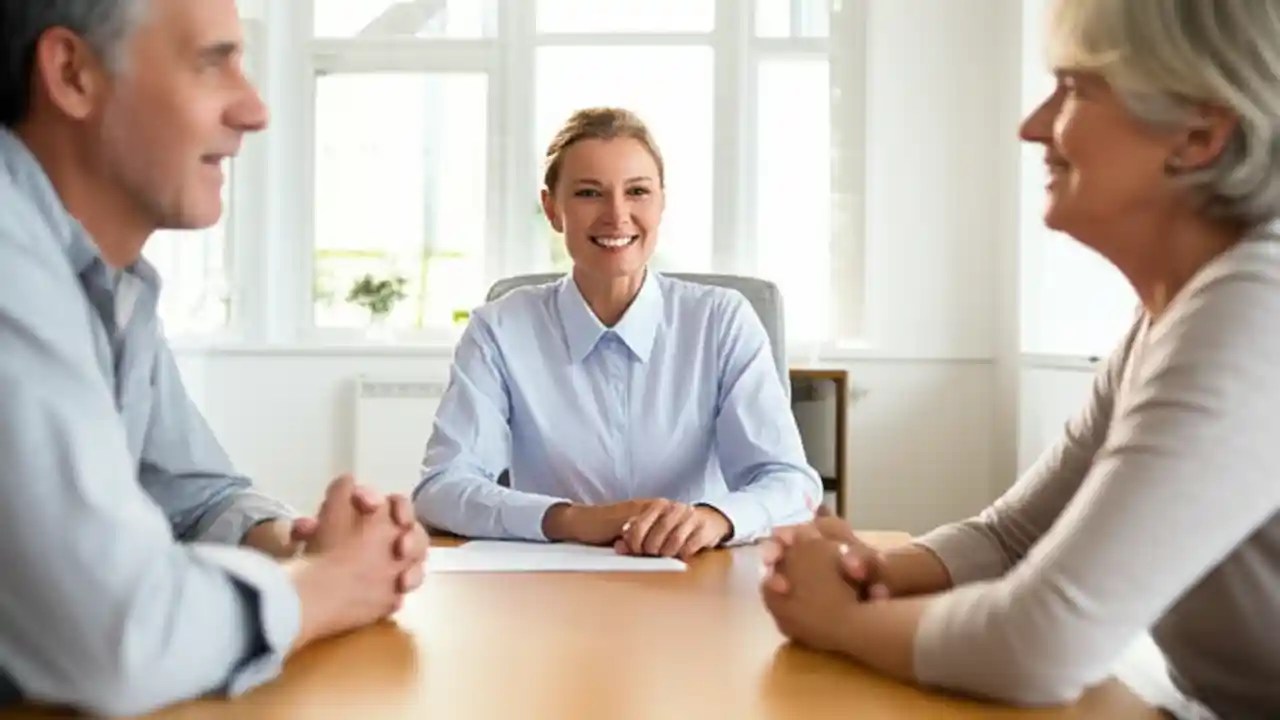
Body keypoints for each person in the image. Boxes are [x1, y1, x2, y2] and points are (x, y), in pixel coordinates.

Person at [759, 0, 1280, 717]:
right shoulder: (1172, 313)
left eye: (1076, 90)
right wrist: (868, 571)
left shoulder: (1257, 306)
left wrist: (837, 619)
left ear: (1198, 133)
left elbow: (1044, 643)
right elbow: (1013, 537)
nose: (1032, 126)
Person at [0, 0, 428, 714]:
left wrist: (296, 541)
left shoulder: (106, 282)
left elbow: (193, 493)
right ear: (73, 74)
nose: (255, 109)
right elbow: (120, 639)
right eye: (212, 62)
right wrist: (328, 586)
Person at [415, 107, 821, 558]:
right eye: (590, 193)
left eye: (638, 192)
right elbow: (441, 488)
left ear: (661, 203)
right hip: (550, 585)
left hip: (695, 578)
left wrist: (714, 519)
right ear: (553, 208)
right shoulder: (499, 329)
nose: (617, 215)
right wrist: (574, 519)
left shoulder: (722, 321)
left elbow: (792, 484)